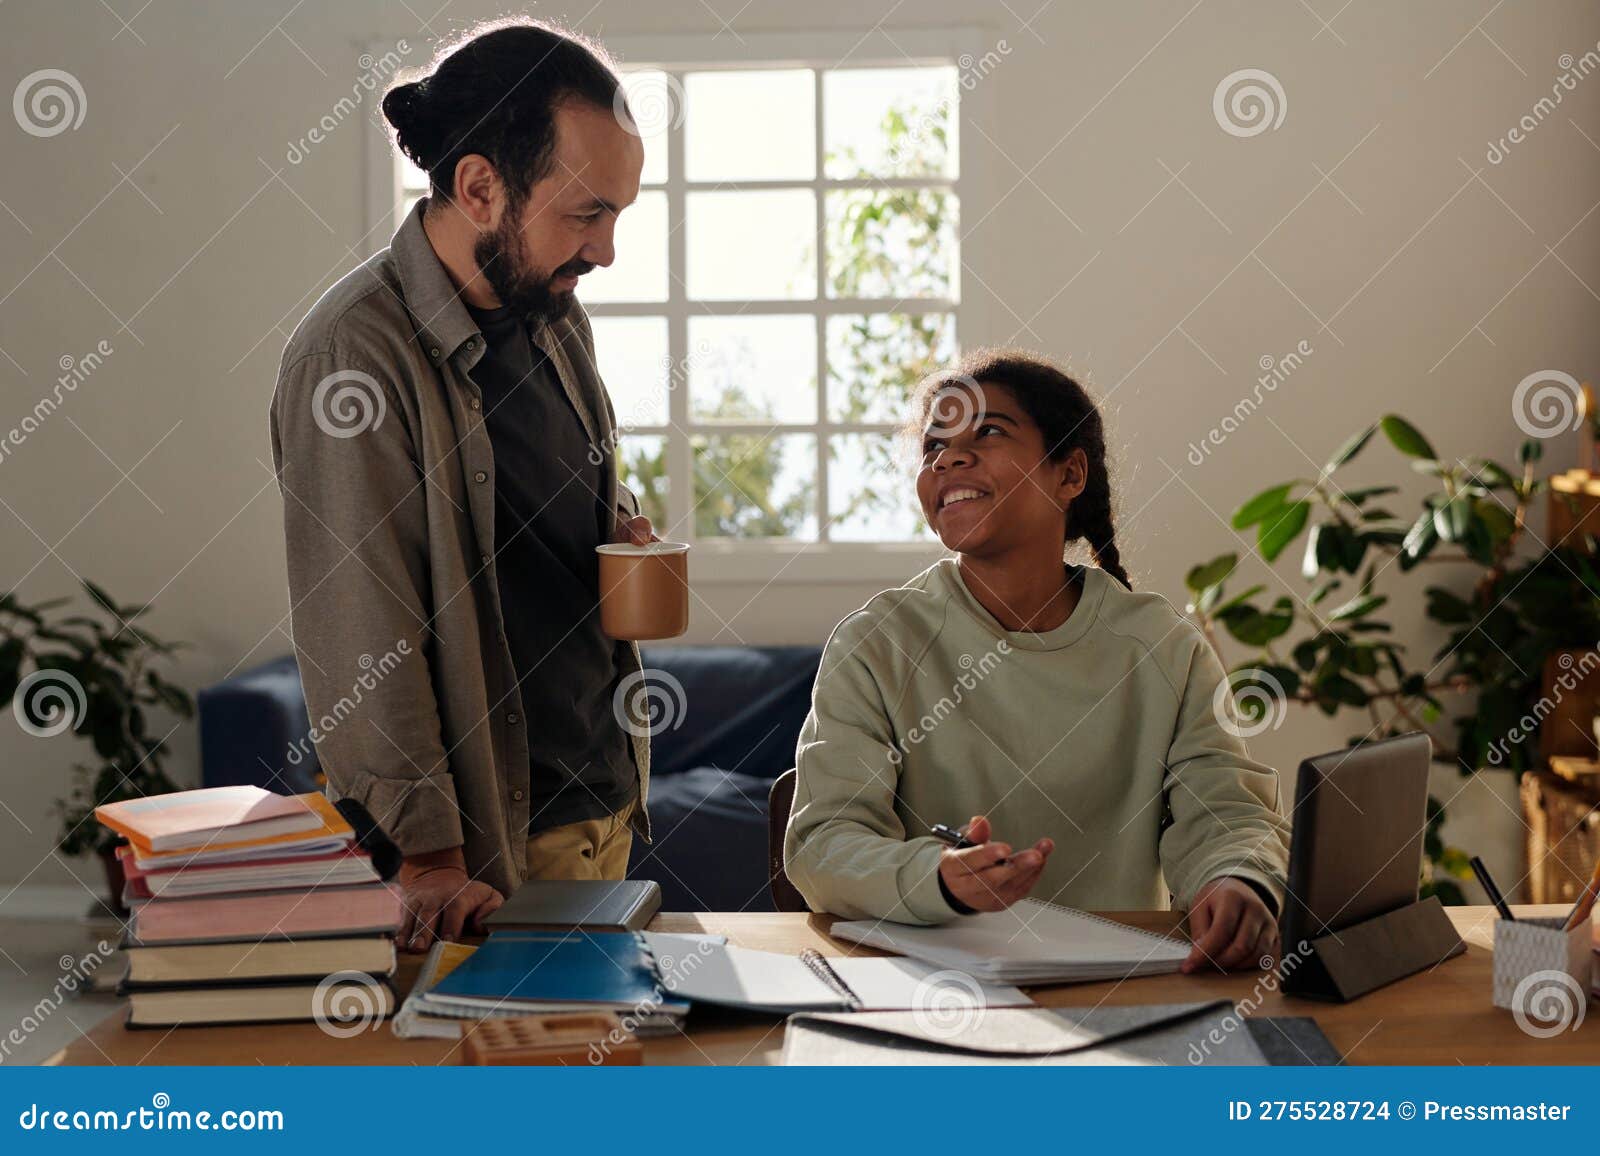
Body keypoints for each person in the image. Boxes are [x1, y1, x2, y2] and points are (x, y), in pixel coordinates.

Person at [269, 20, 656, 953]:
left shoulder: (554, 318)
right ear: (480, 186)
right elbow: (364, 620)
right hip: (483, 853)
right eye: (585, 214)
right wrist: (427, 855)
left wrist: (615, 539)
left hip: (597, 807)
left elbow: (536, 519)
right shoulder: (352, 358)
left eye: (617, 217)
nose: (605, 251)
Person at [783, 349, 1291, 971]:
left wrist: (1236, 879)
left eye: (988, 432)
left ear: (1069, 474)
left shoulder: (1162, 644)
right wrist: (937, 879)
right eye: (933, 448)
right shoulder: (875, 643)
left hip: (1124, 985)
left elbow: (1225, 810)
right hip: (932, 986)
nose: (948, 458)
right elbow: (825, 843)